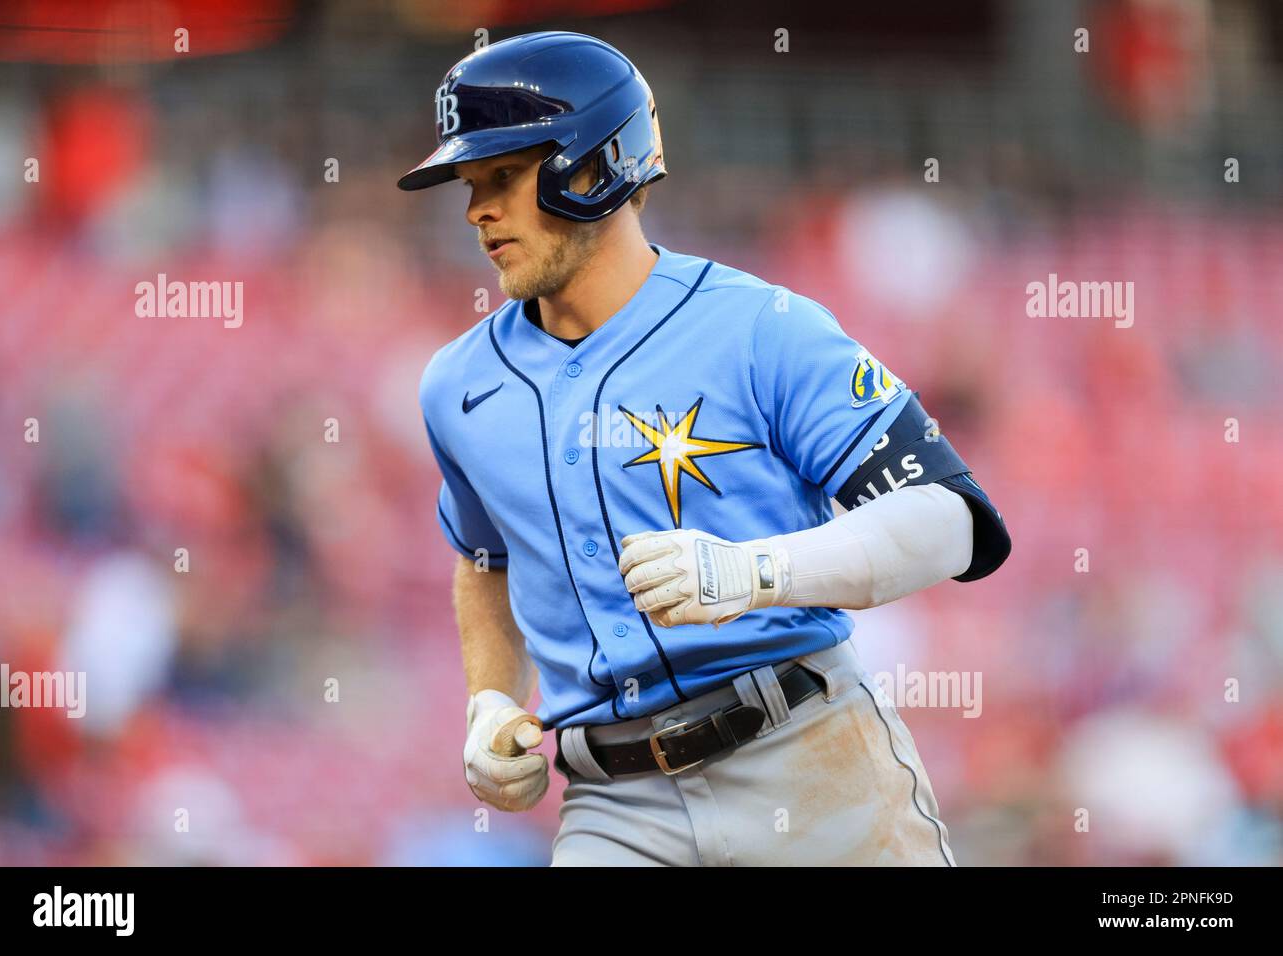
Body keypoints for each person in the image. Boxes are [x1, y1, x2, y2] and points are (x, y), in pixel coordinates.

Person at [402, 31, 1011, 866]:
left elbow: (953, 523)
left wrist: (755, 572)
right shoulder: (457, 384)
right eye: (471, 186)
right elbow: (485, 559)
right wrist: (487, 701)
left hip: (806, 758)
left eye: (502, 176)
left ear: (594, 165)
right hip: (613, 805)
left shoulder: (761, 326)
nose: (477, 210)